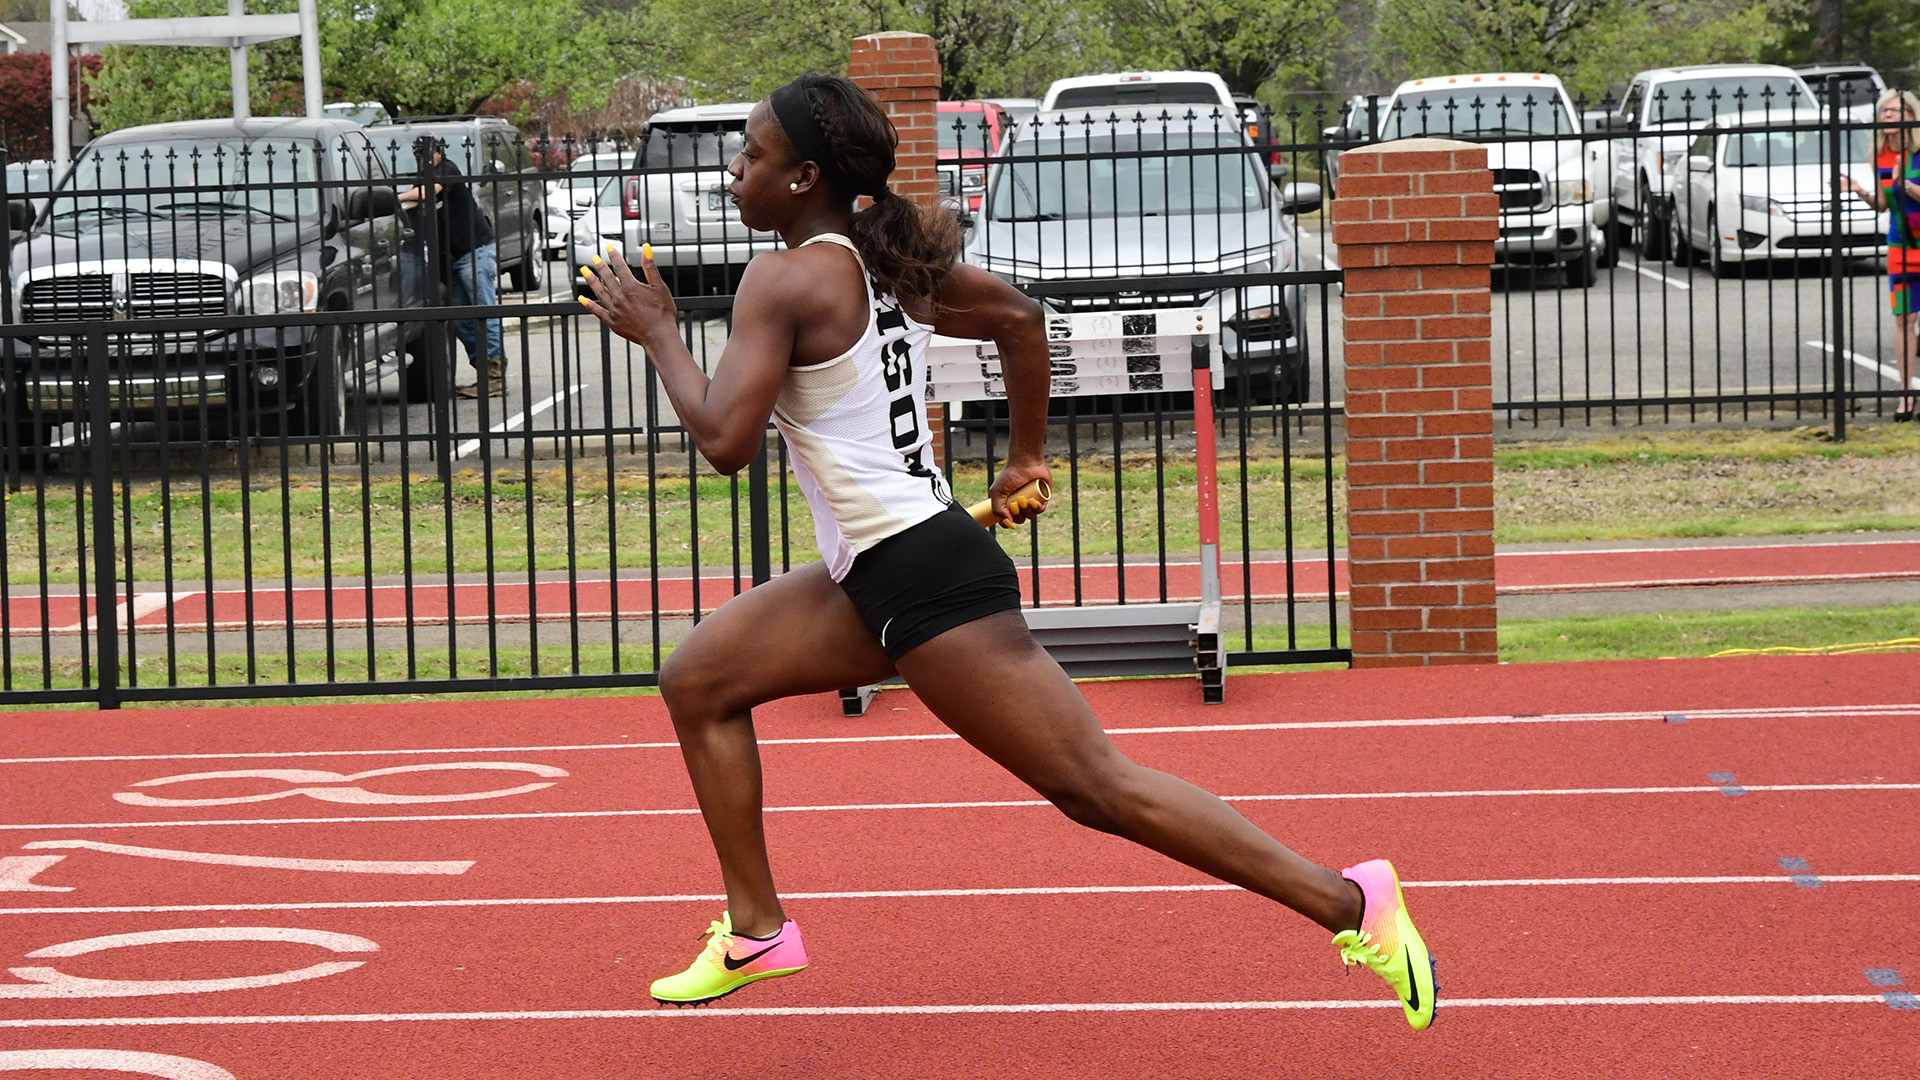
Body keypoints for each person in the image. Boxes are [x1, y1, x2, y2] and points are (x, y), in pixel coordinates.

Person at [577, 74, 1436, 1029]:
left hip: (922, 575)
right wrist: (1022, 457)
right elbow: (1023, 319)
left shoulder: (785, 279)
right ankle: (758, 931)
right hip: (888, 562)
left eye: (750, 156)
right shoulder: (872, 258)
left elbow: (726, 444)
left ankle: (1353, 903)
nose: (732, 173)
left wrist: (658, 334)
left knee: (1096, 788)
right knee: (698, 680)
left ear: (802, 177)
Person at [400, 136, 508, 398]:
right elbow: (414, 202)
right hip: (454, 258)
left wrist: (395, 195)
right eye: (418, 155)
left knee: (484, 312)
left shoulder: (447, 170)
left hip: (476, 251)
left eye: (426, 154)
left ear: (439, 153)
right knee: (461, 320)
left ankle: (495, 376)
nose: (422, 160)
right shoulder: (424, 176)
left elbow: (426, 192)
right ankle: (484, 372)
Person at [1840, 89, 1920, 420]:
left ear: (1911, 116)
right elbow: (1885, 204)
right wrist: (1861, 192)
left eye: (1893, 110)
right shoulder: (1879, 154)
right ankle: (1906, 396)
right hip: (1901, 247)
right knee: (1904, 320)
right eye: (1882, 111)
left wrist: (1907, 185)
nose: (1886, 115)